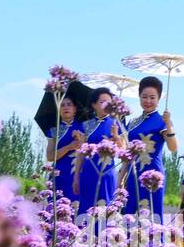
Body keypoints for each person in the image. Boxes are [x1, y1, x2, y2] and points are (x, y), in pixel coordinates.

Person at [118, 76, 176, 224]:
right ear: (139, 96)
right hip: (133, 174)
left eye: (152, 97)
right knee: (130, 213)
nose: (148, 101)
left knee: (152, 214)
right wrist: (121, 178)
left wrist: (168, 124)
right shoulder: (133, 122)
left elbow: (173, 147)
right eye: (144, 97)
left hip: (153, 175)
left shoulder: (161, 121)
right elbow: (128, 153)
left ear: (159, 99)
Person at [72, 87, 120, 219]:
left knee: (106, 208)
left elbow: (123, 151)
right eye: (102, 102)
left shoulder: (116, 124)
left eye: (108, 102)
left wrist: (116, 136)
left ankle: (104, 238)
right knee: (86, 208)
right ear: (93, 105)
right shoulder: (86, 125)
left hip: (107, 172)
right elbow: (81, 152)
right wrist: (76, 175)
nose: (106, 105)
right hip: (88, 172)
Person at [45, 93, 84, 205]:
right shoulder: (53, 131)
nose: (66, 107)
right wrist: (69, 147)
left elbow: (88, 151)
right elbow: (50, 156)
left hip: (78, 175)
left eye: (69, 104)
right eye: (62, 105)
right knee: (56, 211)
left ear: (75, 108)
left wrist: (80, 140)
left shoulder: (85, 127)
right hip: (59, 175)